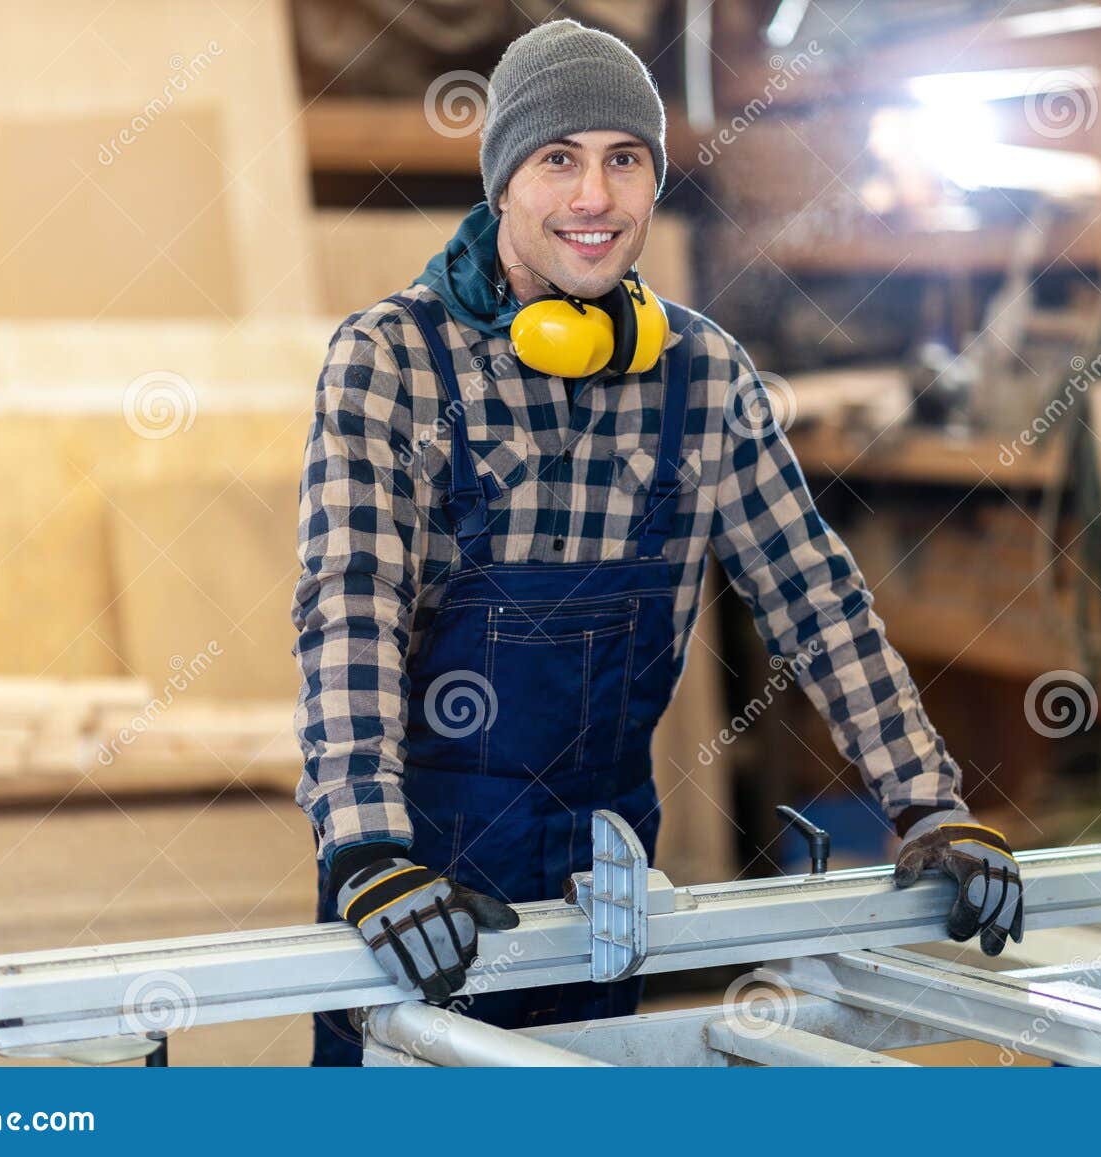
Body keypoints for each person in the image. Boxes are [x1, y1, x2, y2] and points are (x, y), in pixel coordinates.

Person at [292, 18, 1022, 1067]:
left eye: (623, 160)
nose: (594, 197)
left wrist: (930, 807)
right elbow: (347, 607)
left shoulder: (702, 373)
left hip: (605, 878)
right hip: (421, 877)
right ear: (502, 182)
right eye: (558, 159)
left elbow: (816, 598)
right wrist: (367, 848)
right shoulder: (390, 360)